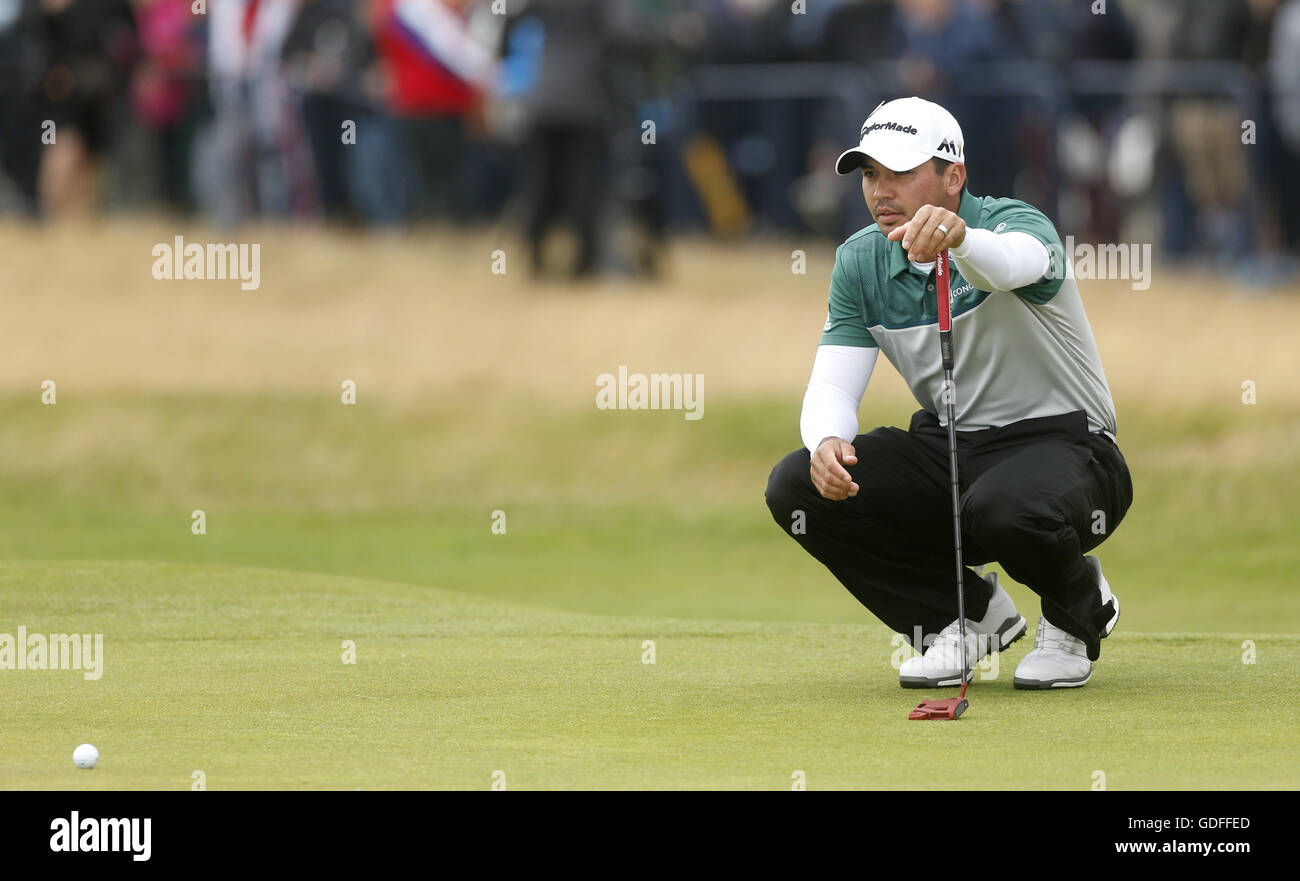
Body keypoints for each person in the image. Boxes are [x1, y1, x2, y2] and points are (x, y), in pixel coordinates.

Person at [764, 97, 1133, 690]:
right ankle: (964, 618)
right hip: (957, 453)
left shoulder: (1015, 224)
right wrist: (827, 440)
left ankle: (1076, 609)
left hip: (1073, 452)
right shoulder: (861, 262)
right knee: (798, 484)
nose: (881, 191)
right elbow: (833, 382)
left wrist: (961, 241)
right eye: (869, 175)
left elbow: (1011, 265)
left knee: (1005, 507)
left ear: (953, 176)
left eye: (901, 173)